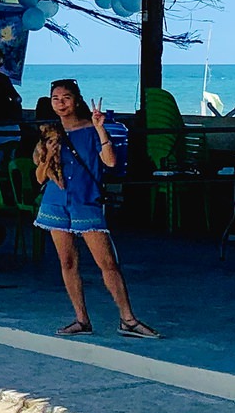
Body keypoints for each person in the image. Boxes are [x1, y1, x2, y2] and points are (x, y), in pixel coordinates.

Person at [35, 77, 158, 338]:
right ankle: (81, 319)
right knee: (67, 262)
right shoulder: (49, 132)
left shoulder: (91, 129)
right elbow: (39, 177)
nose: (61, 103)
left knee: (107, 263)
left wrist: (101, 128)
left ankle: (128, 319)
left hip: (86, 200)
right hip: (55, 202)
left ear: (76, 100)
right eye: (56, 99)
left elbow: (110, 162)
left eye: (66, 98)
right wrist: (49, 155)